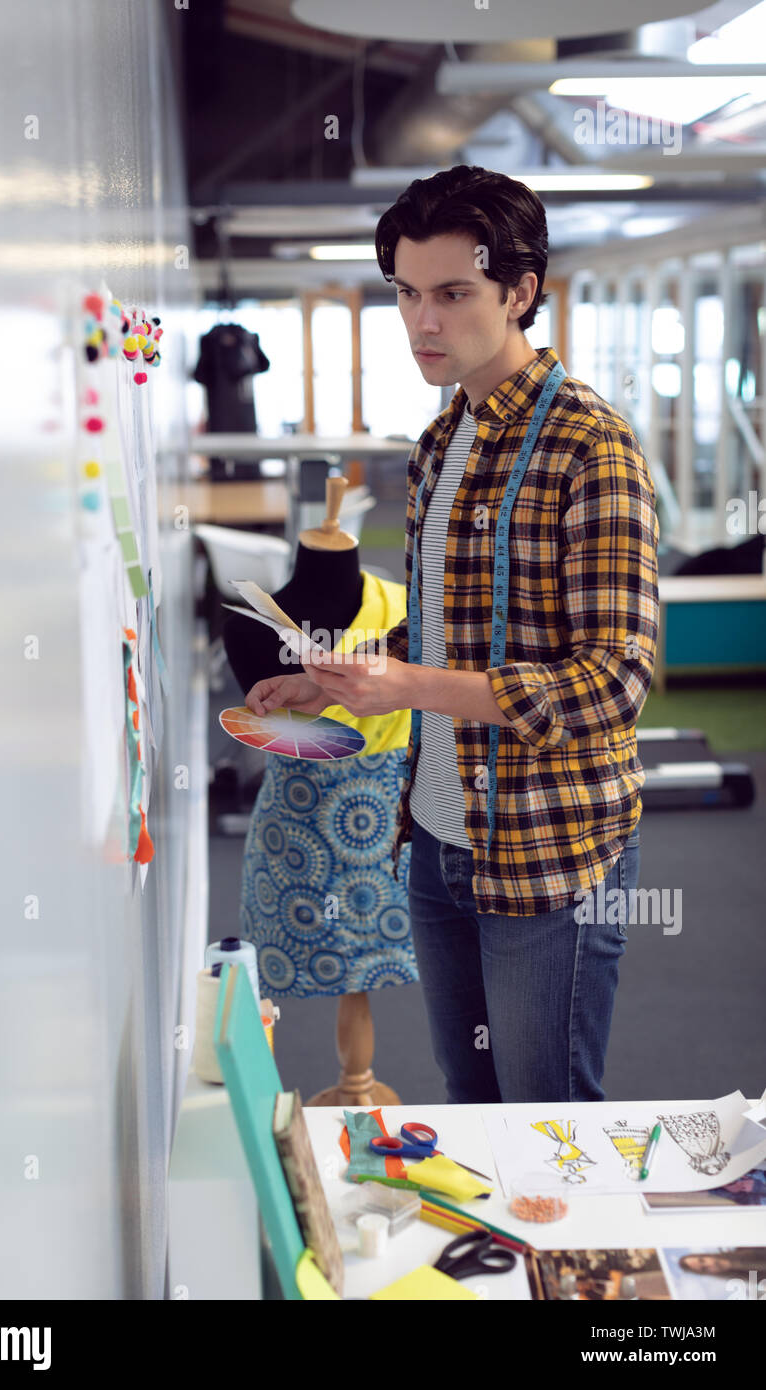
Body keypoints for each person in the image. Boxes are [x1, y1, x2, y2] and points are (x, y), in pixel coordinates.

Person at [244, 165, 659, 1104]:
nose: (422, 322)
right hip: (434, 839)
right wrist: (349, 679)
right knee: (472, 1111)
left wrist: (415, 689)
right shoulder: (439, 444)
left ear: (520, 293)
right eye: (404, 293)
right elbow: (444, 638)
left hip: (549, 854)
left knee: (546, 1123)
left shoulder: (590, 445)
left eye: (452, 294)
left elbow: (615, 684)